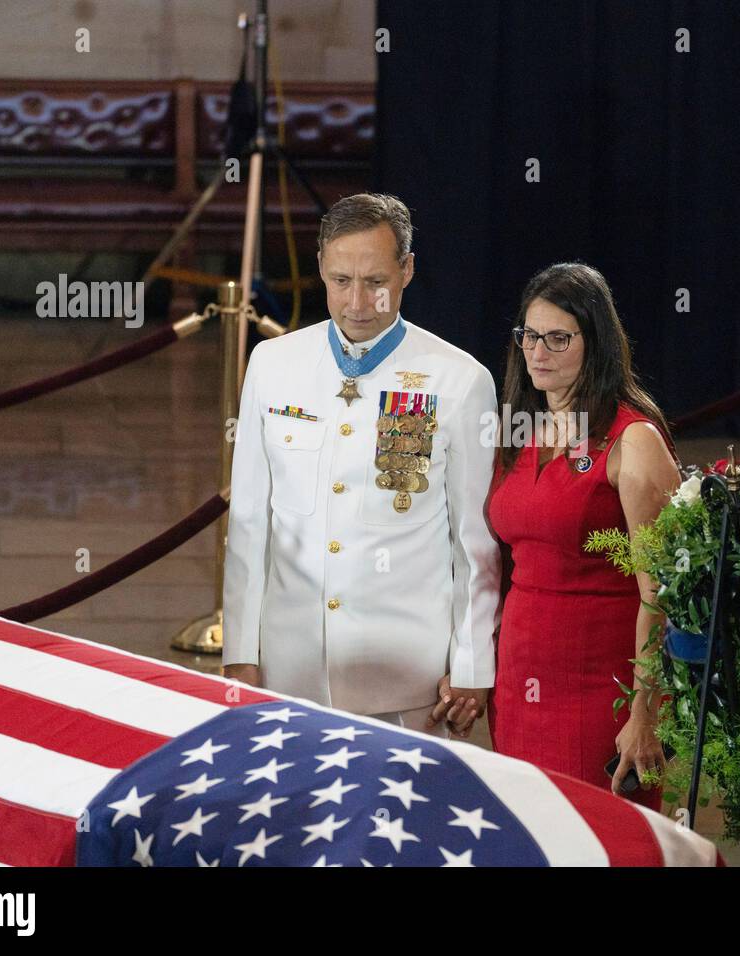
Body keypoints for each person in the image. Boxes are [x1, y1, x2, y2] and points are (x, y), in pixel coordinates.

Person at [221, 192, 501, 738]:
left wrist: (470, 665)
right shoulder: (272, 364)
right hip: (288, 670)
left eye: (376, 281)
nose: (358, 301)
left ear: (408, 270)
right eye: (341, 280)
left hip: (406, 683)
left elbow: (474, 543)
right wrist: (240, 650)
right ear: (320, 268)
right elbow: (249, 524)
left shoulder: (459, 380)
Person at [482, 262, 680, 808]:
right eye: (529, 336)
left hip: (602, 690)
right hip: (518, 679)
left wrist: (645, 712)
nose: (538, 352)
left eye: (558, 338)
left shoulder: (633, 440)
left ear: (596, 343)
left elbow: (664, 595)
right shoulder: (518, 430)